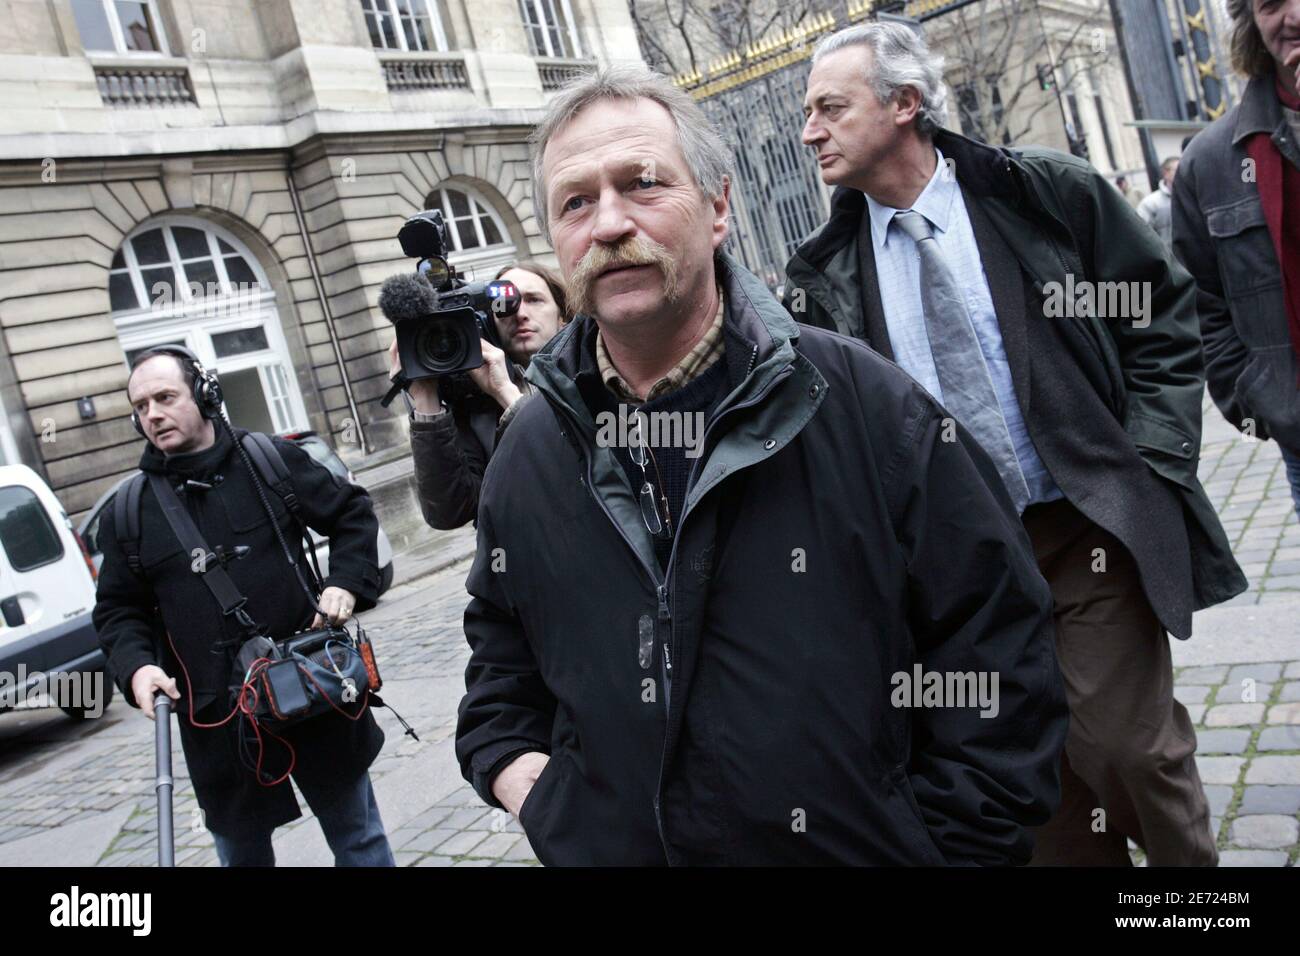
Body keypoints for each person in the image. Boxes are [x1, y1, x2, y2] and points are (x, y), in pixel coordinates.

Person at [454, 64, 1069, 866]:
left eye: (643, 184)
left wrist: (944, 849)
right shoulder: (528, 453)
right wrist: (537, 792)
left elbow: (998, 649)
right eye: (576, 202)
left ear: (718, 207)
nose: (608, 223)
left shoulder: (865, 404)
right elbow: (500, 665)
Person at [786, 22, 1245, 866]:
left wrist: (1149, 460)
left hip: (1083, 528)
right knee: (1037, 784)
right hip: (960, 567)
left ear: (904, 104)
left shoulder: (1043, 194)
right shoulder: (827, 272)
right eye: (807, 113)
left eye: (830, 108)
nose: (810, 131)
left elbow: (1158, 315)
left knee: (1127, 749)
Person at [94, 345, 393, 866]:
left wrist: (345, 583)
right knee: (242, 858)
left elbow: (353, 513)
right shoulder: (128, 512)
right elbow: (118, 610)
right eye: (141, 406)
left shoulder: (268, 460)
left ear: (204, 394)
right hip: (218, 724)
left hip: (312, 691)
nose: (153, 414)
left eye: (165, 397)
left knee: (359, 840)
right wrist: (138, 667)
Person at [1173, 0, 1300, 518]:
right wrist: (1256, 396)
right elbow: (1200, 303)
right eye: (1272, 2)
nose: (1295, 15)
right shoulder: (1210, 163)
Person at [394, 260, 570, 529]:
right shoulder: (474, 402)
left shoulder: (590, 371)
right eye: (503, 305)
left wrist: (507, 394)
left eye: (534, 300)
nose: (520, 313)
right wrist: (425, 397)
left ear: (562, 316)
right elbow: (450, 511)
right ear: (490, 322)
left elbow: (573, 472)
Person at [1138, 156, 1180, 249]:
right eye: (1178, 170)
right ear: (1166, 173)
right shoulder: (1150, 204)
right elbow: (1141, 236)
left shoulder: (1193, 197)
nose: (1183, 173)